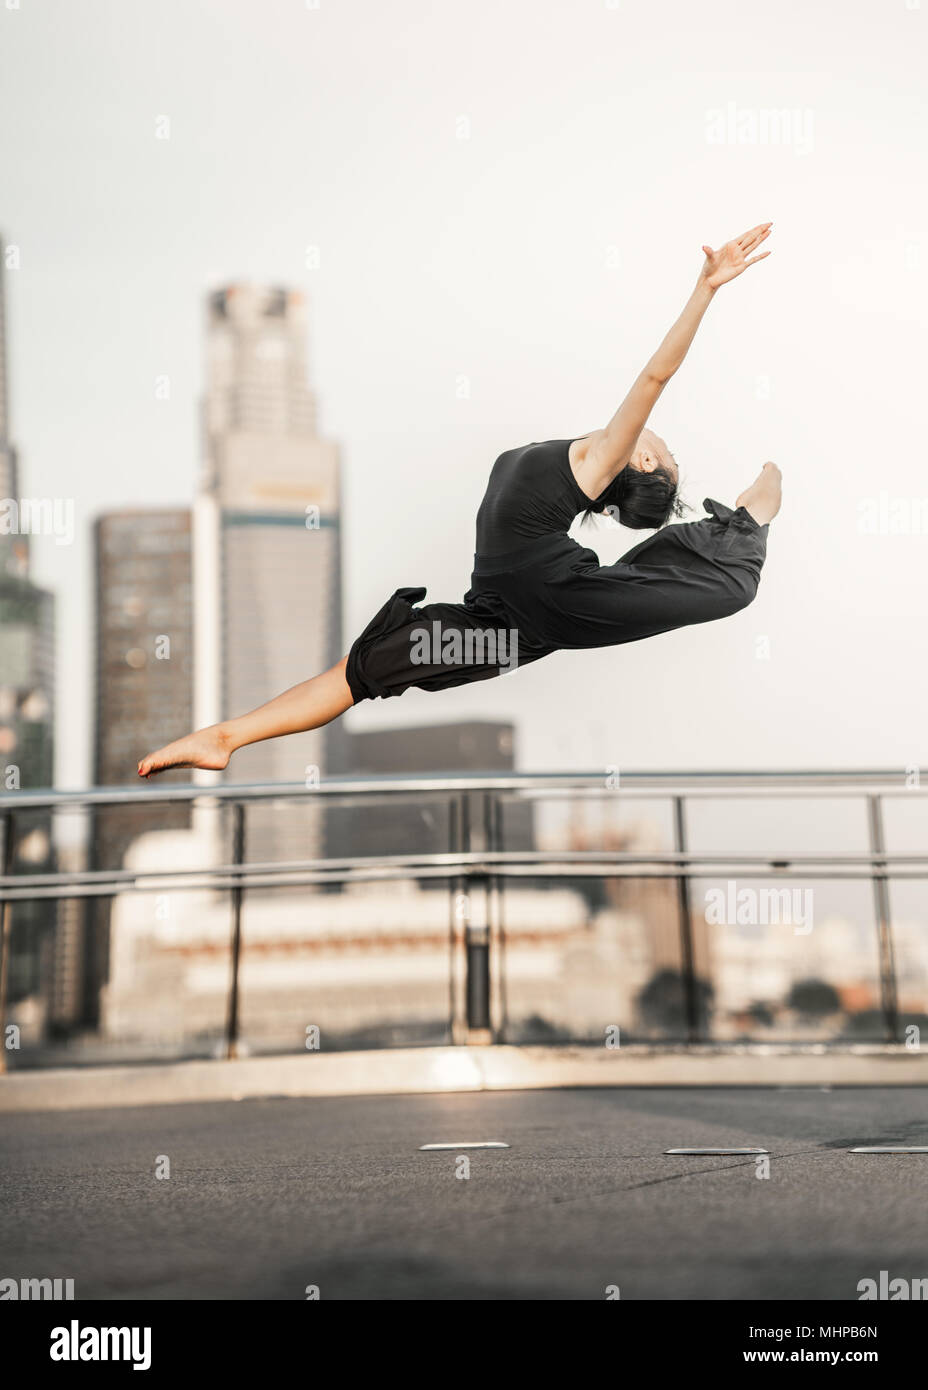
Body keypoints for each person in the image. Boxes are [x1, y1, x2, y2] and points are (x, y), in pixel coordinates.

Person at [138, 222, 780, 779]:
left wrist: (706, 289)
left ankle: (751, 516)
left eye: (666, 453)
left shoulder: (594, 459)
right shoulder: (585, 462)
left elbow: (655, 376)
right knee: (358, 675)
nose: (662, 440)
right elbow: (649, 386)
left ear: (638, 460)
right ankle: (225, 737)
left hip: (523, 607)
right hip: (507, 619)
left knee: (358, 676)